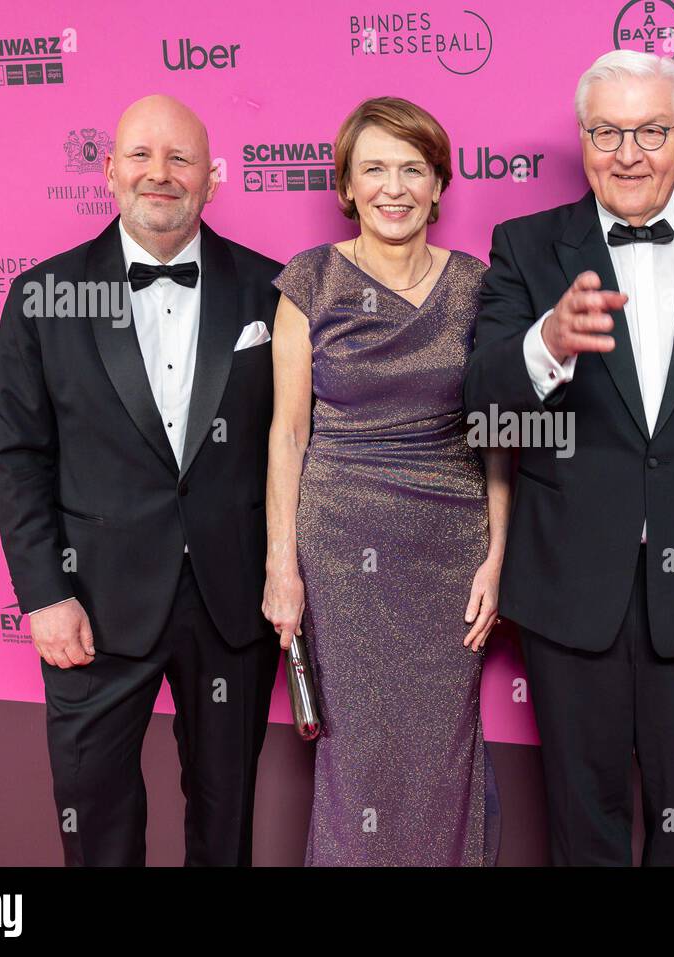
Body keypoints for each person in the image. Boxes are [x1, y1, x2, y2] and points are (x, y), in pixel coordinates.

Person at [463, 51, 674, 866]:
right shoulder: (526, 245)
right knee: (581, 824)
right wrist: (545, 343)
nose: (629, 152)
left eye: (650, 130)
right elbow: (482, 408)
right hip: (569, 588)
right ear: (583, 140)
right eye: (608, 131)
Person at [0, 94, 284, 866]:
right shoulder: (43, 295)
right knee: (96, 816)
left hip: (233, 605)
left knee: (227, 823)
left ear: (212, 179)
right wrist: (46, 596)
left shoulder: (273, 292)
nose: (161, 174)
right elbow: (19, 455)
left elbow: (297, 447)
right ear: (110, 170)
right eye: (143, 156)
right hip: (93, 605)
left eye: (181, 158)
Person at [262, 96, 505, 866]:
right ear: (346, 185)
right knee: (356, 760)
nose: (393, 187)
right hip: (340, 551)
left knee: (444, 754)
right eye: (373, 168)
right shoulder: (311, 280)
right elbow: (288, 429)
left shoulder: (478, 286)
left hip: (451, 552)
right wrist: (281, 565)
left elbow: (501, 434)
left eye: (412, 168)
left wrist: (500, 557)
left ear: (439, 184)